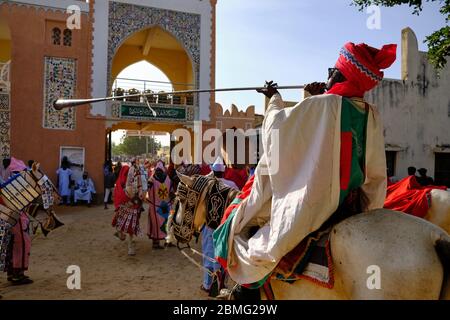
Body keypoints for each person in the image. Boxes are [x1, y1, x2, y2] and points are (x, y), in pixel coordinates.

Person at [213, 42, 396, 288]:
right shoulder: (369, 113)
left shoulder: (325, 105)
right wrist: (316, 97)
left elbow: (278, 129)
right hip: (352, 203)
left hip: (319, 203)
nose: (327, 74)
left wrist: (273, 98)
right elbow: (324, 141)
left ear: (341, 74)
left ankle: (249, 287)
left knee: (251, 236)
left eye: (331, 70)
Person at [201, 157, 238, 294]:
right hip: (224, 227)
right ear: (223, 172)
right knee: (222, 253)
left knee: (208, 253)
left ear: (213, 171)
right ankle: (222, 284)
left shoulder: (207, 185)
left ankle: (207, 284)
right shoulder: (232, 185)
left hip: (209, 226)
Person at [111, 161, 145, 256]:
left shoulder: (133, 179)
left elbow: (139, 190)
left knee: (131, 226)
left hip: (133, 206)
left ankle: (130, 245)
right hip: (125, 207)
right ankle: (122, 235)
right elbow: (118, 196)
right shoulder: (121, 183)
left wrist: (138, 199)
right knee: (123, 222)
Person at [147, 160, 172, 249]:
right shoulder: (168, 178)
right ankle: (167, 241)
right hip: (166, 206)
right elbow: (171, 192)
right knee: (167, 223)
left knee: (156, 224)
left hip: (155, 206)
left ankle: (156, 243)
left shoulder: (152, 179)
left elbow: (147, 190)